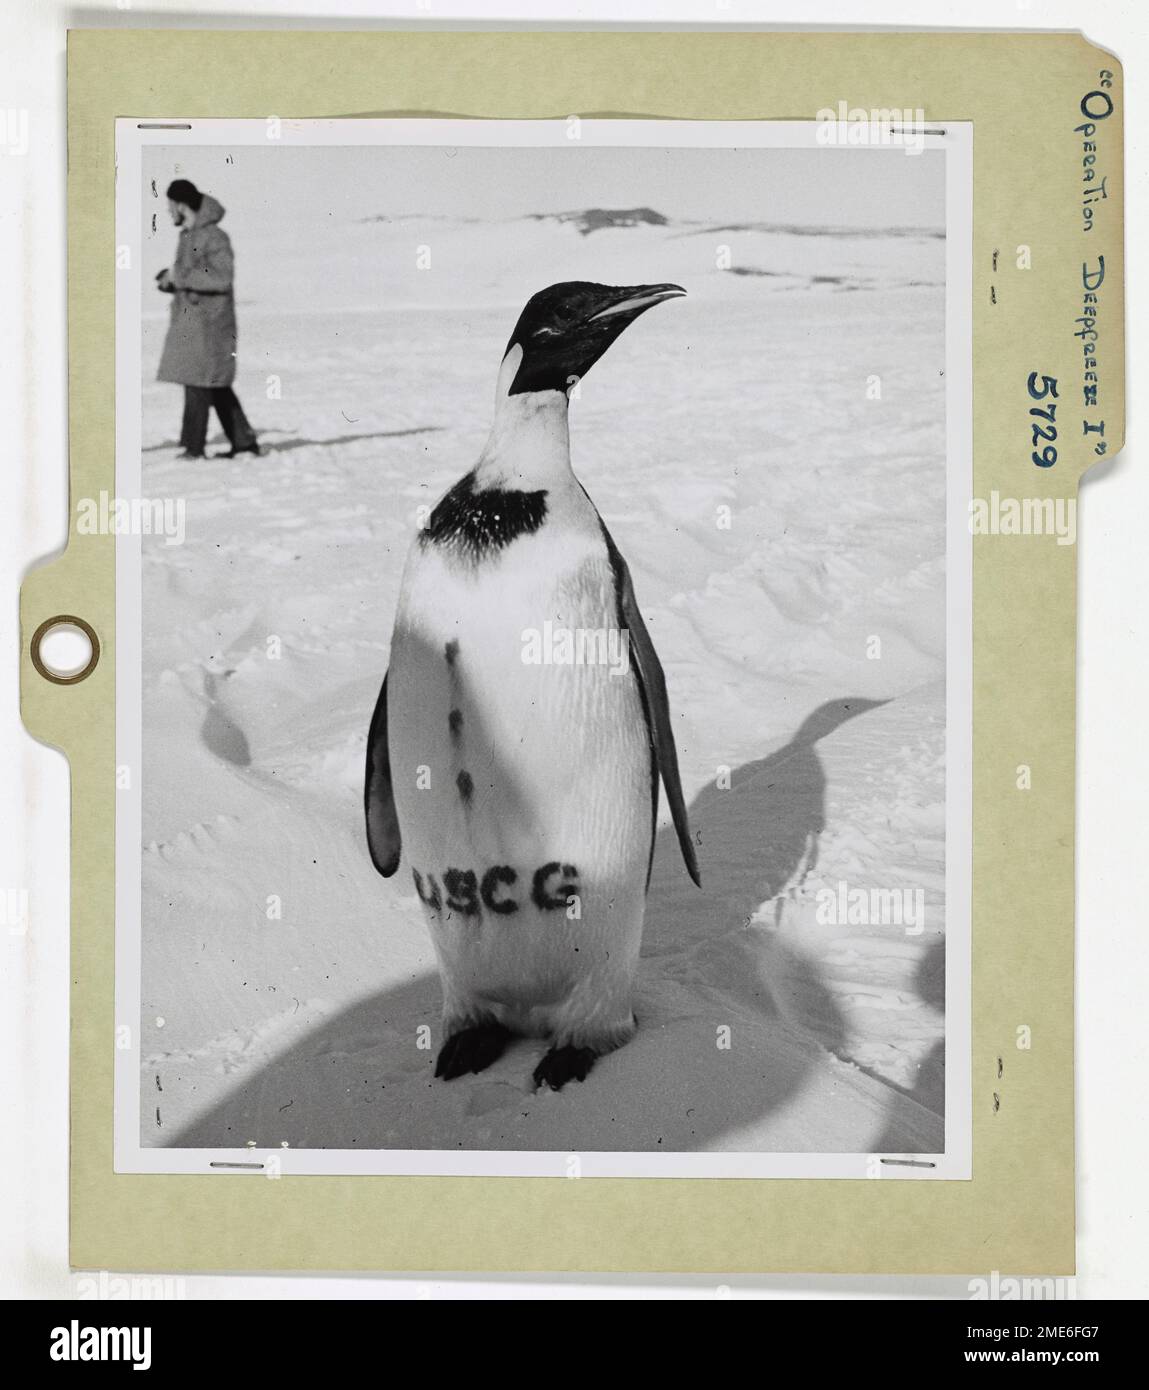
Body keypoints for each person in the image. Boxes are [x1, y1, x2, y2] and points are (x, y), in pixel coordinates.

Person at [156, 179, 261, 459]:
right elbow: (192, 275)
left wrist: (181, 277)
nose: (168, 212)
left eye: (170, 206)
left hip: (210, 324)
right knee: (212, 383)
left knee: (200, 381)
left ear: (181, 205)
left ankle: (194, 449)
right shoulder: (189, 235)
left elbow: (222, 277)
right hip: (194, 323)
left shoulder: (215, 236)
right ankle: (244, 443)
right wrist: (170, 281)